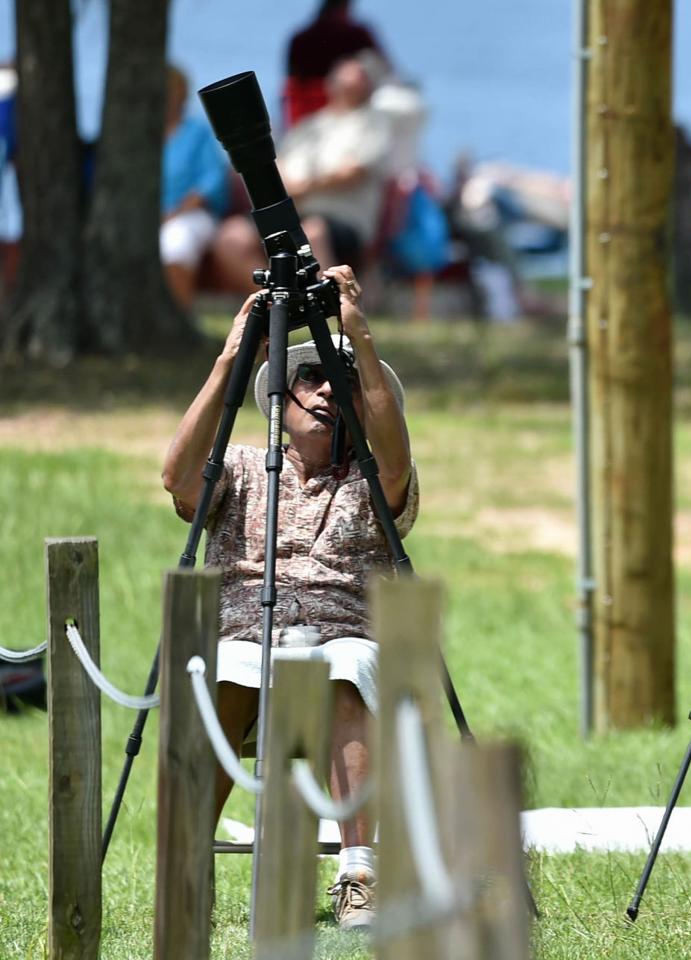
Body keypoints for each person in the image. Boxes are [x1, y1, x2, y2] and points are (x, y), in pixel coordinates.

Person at [161, 266, 415, 931]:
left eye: (346, 384)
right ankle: (188, 867)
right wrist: (230, 358)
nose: (329, 389)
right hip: (243, 641)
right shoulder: (241, 465)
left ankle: (358, 872)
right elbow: (178, 477)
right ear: (280, 394)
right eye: (310, 378)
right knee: (225, 667)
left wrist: (356, 335)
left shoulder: (369, 480)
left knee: (344, 667)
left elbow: (394, 465)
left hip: (344, 641)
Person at [212, 57, 391, 290]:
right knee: (232, 236)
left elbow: (354, 171)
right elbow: (280, 167)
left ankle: (334, 310)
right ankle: (278, 305)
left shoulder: (373, 123)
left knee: (313, 231)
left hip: (343, 220)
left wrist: (303, 186)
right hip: (294, 214)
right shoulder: (309, 127)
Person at [160, 65, 230, 310]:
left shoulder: (197, 131)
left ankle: (178, 315)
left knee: (175, 243)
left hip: (190, 216)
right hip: (149, 218)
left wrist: (174, 213)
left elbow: (212, 180)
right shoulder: (141, 137)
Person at [285, 0, 385, 127]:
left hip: (343, 112)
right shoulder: (357, 35)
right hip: (315, 115)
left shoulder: (298, 39)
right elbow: (293, 88)